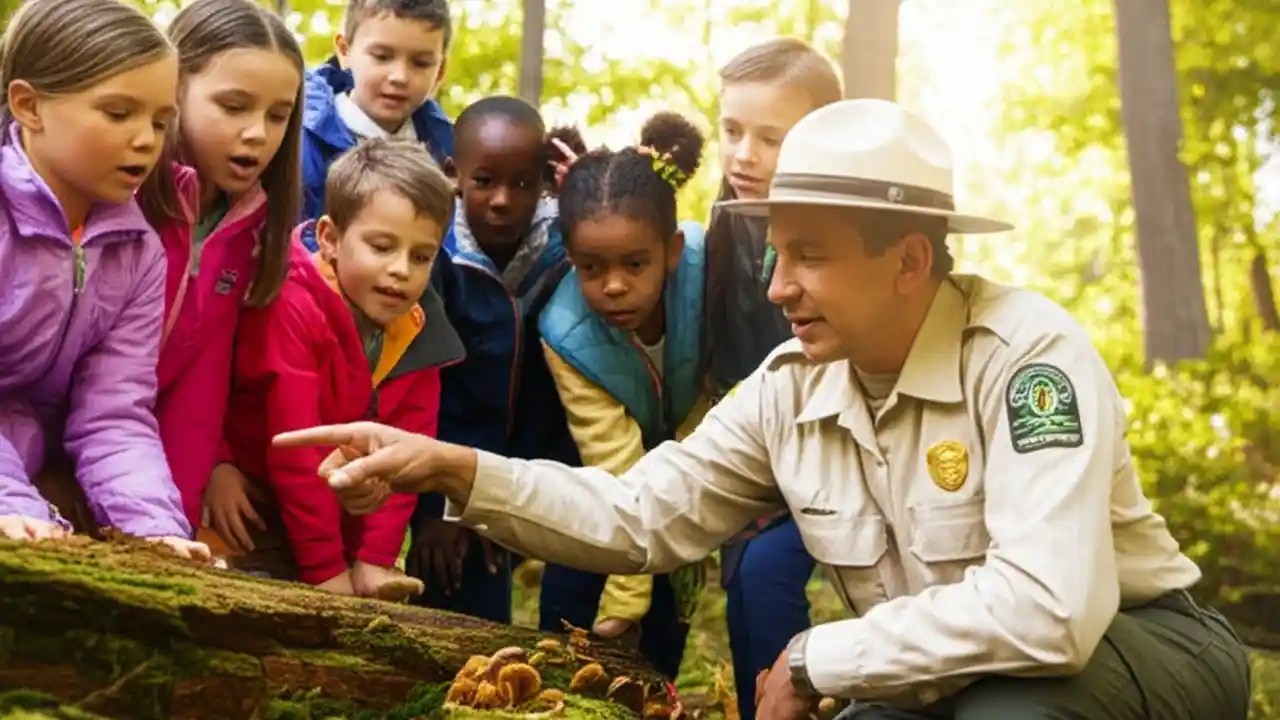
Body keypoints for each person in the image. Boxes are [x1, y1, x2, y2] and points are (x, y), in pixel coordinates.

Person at [276, 99, 1252, 720]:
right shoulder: (792, 389)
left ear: (909, 260)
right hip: (948, 668)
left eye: (811, 256)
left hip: (1143, 645)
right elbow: (640, 514)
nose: (777, 286)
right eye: (774, 253)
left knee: (1011, 712)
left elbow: (1048, 614)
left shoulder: (1025, 355)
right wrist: (453, 468)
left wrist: (819, 655)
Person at [0, 0, 206, 559]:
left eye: (160, 122)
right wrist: (12, 506)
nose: (146, 139)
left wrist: (155, 532)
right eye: (118, 114)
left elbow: (113, 413)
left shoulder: (138, 253)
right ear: (29, 106)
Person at [223, 137, 460, 600]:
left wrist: (374, 559)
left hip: (340, 516)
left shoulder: (414, 328)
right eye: (382, 246)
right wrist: (326, 573)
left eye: (421, 256)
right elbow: (295, 455)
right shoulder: (293, 307)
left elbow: (407, 458)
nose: (401, 271)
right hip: (256, 504)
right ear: (330, 238)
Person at [537, 111, 708, 680]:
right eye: (591, 267)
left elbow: (717, 407)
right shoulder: (565, 333)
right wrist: (622, 602)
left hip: (696, 465)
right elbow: (611, 461)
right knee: (575, 595)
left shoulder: (712, 281)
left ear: (673, 249)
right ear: (569, 257)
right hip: (606, 485)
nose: (613, 285)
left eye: (635, 265)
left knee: (662, 637)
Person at [706, 37, 844, 720]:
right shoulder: (724, 228)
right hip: (766, 463)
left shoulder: (858, 234)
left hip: (847, 470)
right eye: (731, 131)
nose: (743, 155)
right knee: (751, 583)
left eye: (771, 139)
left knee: (764, 571)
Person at [409, 95, 581, 623]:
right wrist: (439, 509)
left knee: (577, 615)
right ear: (453, 175)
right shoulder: (431, 257)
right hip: (451, 480)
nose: (503, 200)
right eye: (484, 181)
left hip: (552, 471)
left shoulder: (571, 254)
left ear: (548, 181)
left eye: (523, 184)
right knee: (462, 586)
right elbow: (419, 391)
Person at [138, 0, 304, 540]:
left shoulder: (246, 229)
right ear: (175, 87)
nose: (257, 133)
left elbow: (199, 390)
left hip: (143, 474)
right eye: (234, 106)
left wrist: (176, 525)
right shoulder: (125, 194)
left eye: (277, 115)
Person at [300, 0, 453, 221]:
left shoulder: (448, 150)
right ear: (344, 50)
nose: (399, 77)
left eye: (420, 63)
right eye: (382, 56)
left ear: (440, 71)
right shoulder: (303, 144)